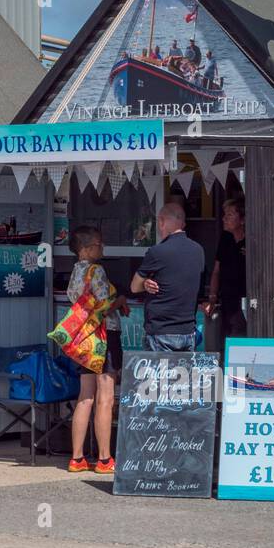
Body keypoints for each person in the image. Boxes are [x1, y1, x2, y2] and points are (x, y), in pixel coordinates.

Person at [65, 225, 128, 475]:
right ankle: (104, 459)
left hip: (84, 338)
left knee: (85, 396)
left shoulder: (75, 272)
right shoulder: (97, 270)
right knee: (106, 397)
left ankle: (77, 457)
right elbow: (102, 307)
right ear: (87, 248)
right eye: (99, 244)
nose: (102, 248)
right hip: (104, 336)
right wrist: (120, 301)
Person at [131, 203, 205, 352]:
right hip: (188, 330)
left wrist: (144, 283)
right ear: (182, 223)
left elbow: (134, 287)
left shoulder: (157, 252)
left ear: (161, 221)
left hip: (161, 331)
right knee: (184, 375)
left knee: (160, 376)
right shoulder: (198, 250)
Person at [204, 197, 247, 348]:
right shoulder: (225, 239)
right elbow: (216, 271)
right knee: (226, 338)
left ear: (242, 220)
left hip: (246, 301)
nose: (224, 218)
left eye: (229, 215)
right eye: (224, 214)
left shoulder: (250, 240)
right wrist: (212, 297)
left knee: (240, 337)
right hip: (227, 299)